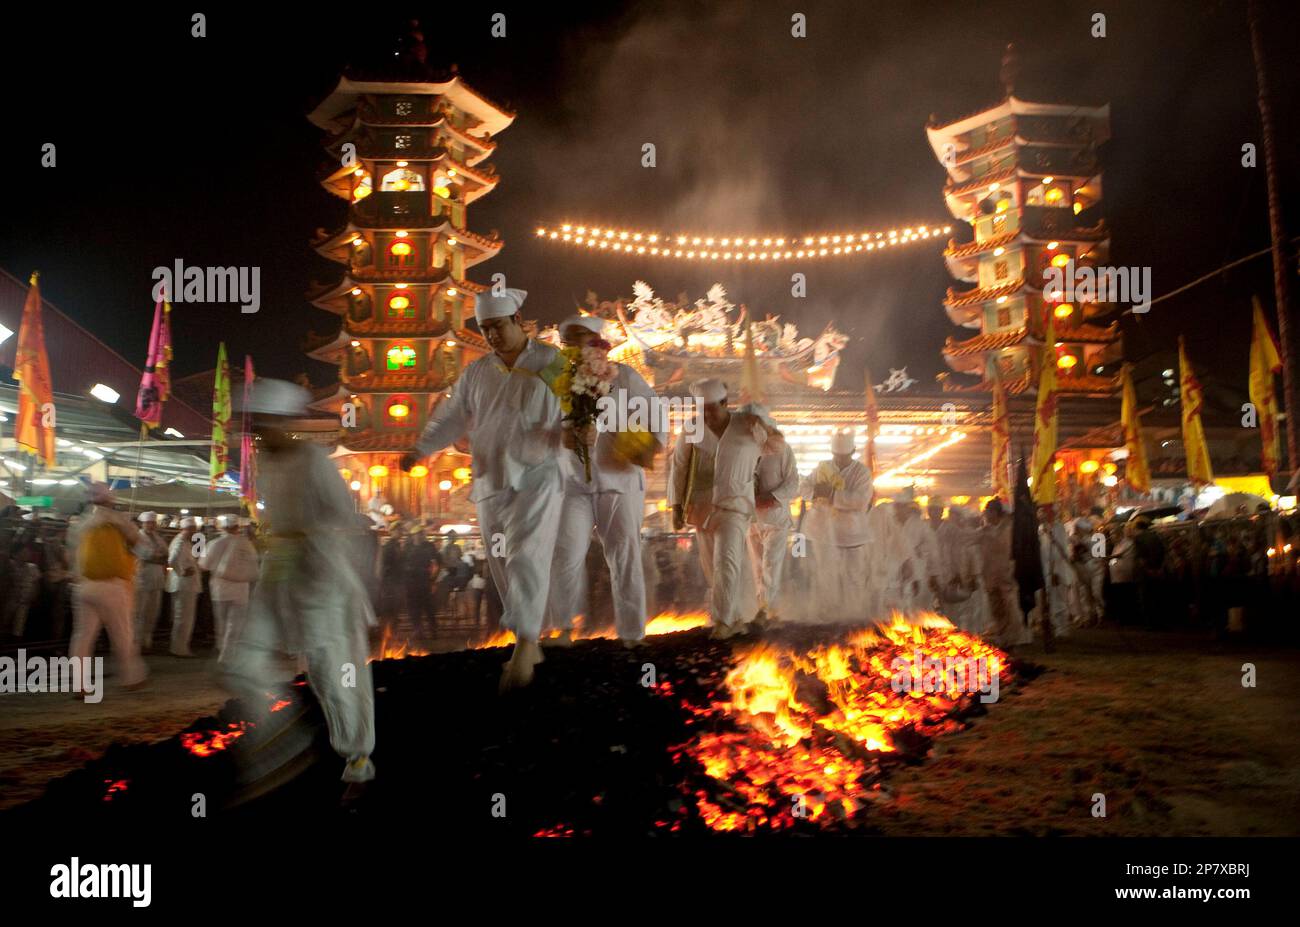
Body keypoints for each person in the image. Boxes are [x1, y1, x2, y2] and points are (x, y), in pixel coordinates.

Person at [401, 288, 564, 690]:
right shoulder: (476, 372)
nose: (491, 335)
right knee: (501, 560)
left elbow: (581, 409)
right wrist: (421, 448)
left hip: (539, 473)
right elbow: (451, 416)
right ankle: (528, 636)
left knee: (526, 552)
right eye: (484, 328)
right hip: (490, 476)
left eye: (497, 326)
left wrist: (570, 432)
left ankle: (526, 643)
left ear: (518, 320)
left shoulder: (552, 361)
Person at [221, 378, 378, 789]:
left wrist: (341, 569)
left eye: (263, 423)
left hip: (323, 577)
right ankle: (279, 747)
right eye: (252, 424)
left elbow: (344, 518)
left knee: (333, 674)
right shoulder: (266, 461)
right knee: (242, 664)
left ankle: (358, 758)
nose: (256, 432)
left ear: (284, 422)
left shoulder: (313, 460)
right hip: (279, 573)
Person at [544, 315, 667, 647]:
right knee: (565, 551)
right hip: (573, 483)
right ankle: (564, 629)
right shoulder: (554, 382)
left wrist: (650, 446)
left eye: (580, 338)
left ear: (598, 342)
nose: (573, 346)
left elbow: (656, 412)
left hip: (619, 480)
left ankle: (632, 634)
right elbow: (540, 427)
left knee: (623, 555)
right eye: (567, 340)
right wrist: (562, 437)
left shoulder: (623, 376)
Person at [703, 400, 785, 638]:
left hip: (762, 515)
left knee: (762, 565)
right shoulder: (722, 438)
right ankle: (736, 615)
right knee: (737, 565)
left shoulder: (768, 445)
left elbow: (791, 478)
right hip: (733, 513)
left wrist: (772, 497)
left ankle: (754, 614)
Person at [68, 483, 148, 694]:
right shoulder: (116, 520)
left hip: (84, 586)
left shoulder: (80, 523)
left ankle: (79, 685)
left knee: (82, 637)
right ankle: (131, 677)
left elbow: (71, 556)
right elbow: (141, 546)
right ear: (110, 499)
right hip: (112, 586)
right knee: (122, 633)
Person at [803, 429, 877, 620]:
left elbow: (860, 500)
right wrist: (815, 492)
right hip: (823, 533)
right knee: (826, 575)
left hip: (852, 535)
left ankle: (853, 617)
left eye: (843, 456)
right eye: (836, 455)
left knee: (854, 577)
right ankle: (827, 618)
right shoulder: (822, 467)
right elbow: (804, 487)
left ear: (852, 452)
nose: (839, 460)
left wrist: (832, 495)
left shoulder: (862, 472)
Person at [669, 378, 725, 588]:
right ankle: (721, 603)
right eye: (703, 409)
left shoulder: (739, 426)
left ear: (724, 404)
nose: (708, 415)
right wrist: (676, 507)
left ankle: (740, 603)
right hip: (703, 505)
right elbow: (679, 467)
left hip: (735, 503)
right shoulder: (692, 427)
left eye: (712, 408)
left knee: (734, 560)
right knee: (711, 561)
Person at [749, 436, 799, 623]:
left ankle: (766, 612)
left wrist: (772, 497)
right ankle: (766, 610)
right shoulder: (744, 448)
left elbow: (793, 482)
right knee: (757, 569)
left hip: (776, 520)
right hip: (752, 521)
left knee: (770, 566)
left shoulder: (783, 449)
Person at [199, 514, 260, 661]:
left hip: (220, 589)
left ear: (223, 527)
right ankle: (228, 654)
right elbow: (254, 566)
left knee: (221, 622)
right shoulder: (246, 544)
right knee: (235, 624)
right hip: (241, 590)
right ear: (237, 527)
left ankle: (222, 649)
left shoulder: (214, 543)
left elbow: (203, 565)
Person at [875, 486, 943, 616]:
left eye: (902, 506)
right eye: (897, 506)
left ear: (907, 507)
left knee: (916, 609)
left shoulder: (920, 526)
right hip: (892, 574)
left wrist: (934, 574)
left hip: (917, 571)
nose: (898, 510)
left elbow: (933, 551)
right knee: (893, 610)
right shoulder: (889, 525)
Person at [976, 498, 1030, 646]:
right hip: (990, 575)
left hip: (1007, 574)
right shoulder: (985, 530)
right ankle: (1002, 636)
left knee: (1010, 607)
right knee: (996, 608)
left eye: (987, 512)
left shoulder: (1009, 528)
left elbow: (1011, 549)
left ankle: (1016, 638)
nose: (985, 515)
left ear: (994, 513)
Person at [133, 512, 168, 653]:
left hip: (157, 578)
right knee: (139, 611)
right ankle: (136, 642)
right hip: (142, 578)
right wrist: (156, 557)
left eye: (153, 523)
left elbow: (165, 555)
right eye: (148, 523)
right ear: (142, 524)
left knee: (153, 612)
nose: (151, 525)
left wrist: (156, 558)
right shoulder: (137, 537)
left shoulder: (158, 538)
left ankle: (147, 640)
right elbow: (146, 556)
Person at [167, 516, 201, 657]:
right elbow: (172, 560)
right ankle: (179, 648)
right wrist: (182, 572)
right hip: (183, 585)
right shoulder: (180, 541)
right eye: (192, 529)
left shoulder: (185, 541)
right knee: (184, 618)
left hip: (185, 585)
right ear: (185, 529)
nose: (194, 532)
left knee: (183, 617)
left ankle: (180, 646)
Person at [402, 524, 438, 636]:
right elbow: (402, 563)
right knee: (413, 607)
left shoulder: (429, 547)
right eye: (416, 534)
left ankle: (433, 629)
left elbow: (435, 564)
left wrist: (432, 579)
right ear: (413, 535)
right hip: (411, 580)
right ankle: (418, 629)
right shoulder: (408, 547)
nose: (418, 536)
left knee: (428, 606)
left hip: (424, 579)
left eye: (420, 534)